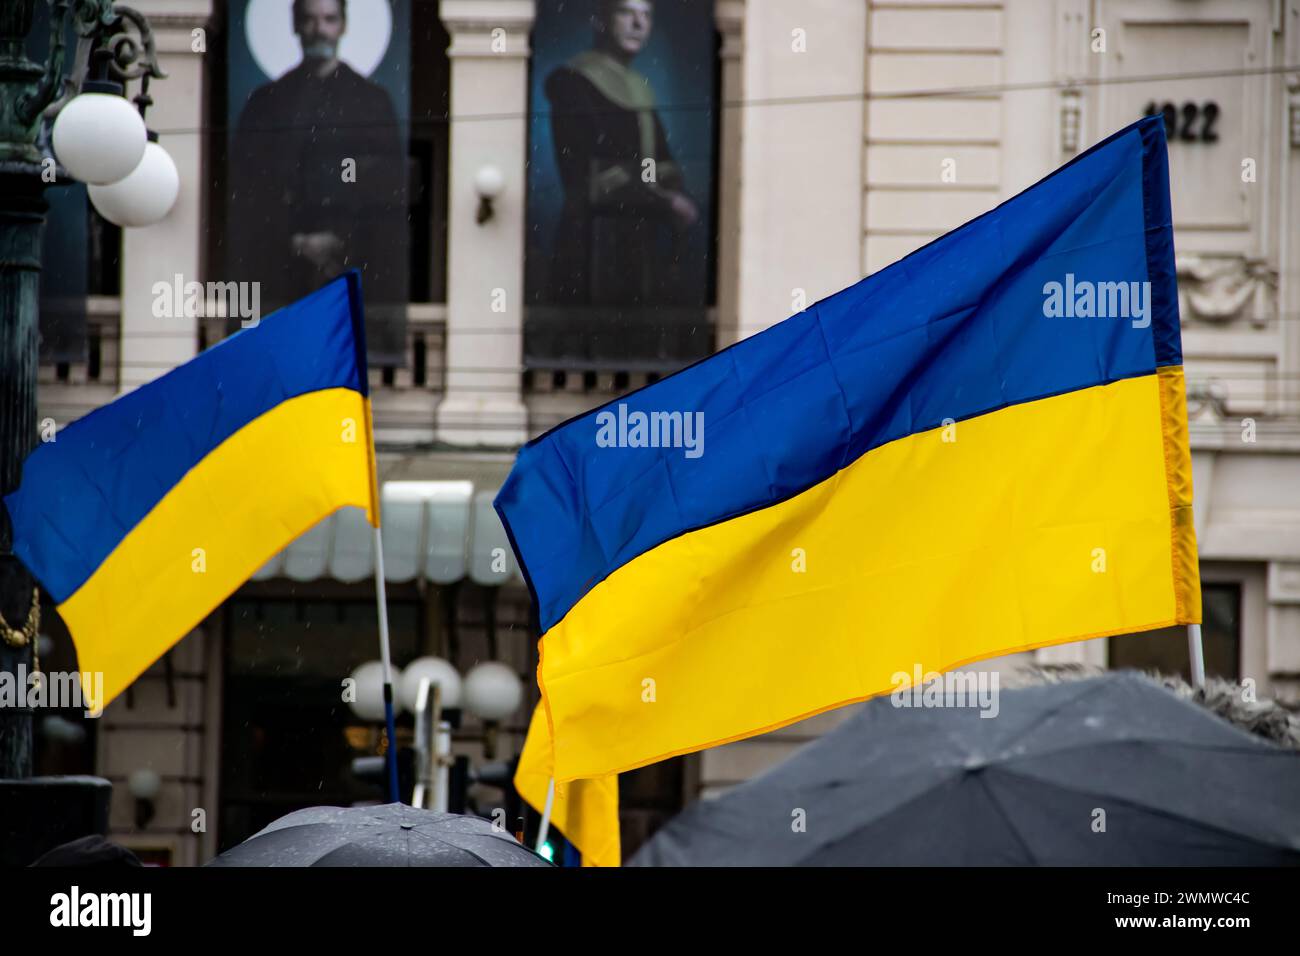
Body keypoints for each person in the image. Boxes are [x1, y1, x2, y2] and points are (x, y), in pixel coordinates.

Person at [227, 0, 407, 359]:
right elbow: (248, 190)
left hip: (350, 272)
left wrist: (340, 239)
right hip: (278, 276)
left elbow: (388, 190)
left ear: (343, 26)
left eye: (328, 19)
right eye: (308, 20)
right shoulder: (266, 103)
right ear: (295, 26)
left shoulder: (372, 102)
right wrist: (295, 240)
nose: (318, 29)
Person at [541, 0, 698, 308]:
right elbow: (588, 172)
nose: (638, 25)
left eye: (646, 15)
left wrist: (658, 187)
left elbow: (655, 161)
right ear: (603, 19)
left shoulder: (641, 89)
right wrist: (663, 196)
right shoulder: (574, 81)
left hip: (640, 234)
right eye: (626, 12)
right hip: (593, 235)